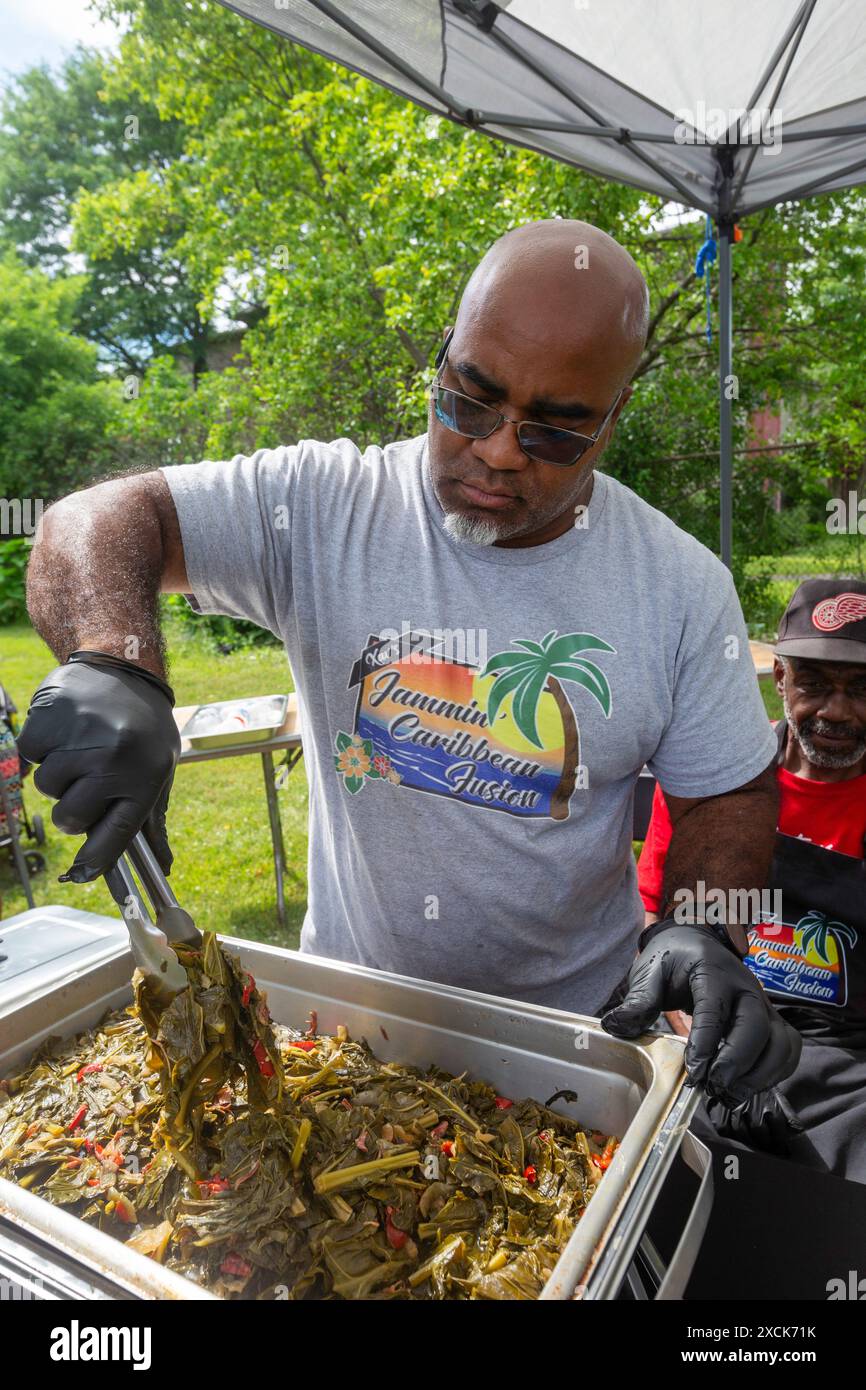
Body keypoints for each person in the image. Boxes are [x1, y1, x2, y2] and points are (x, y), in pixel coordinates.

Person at [18, 218, 800, 1103]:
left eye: (555, 430)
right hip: (348, 1036)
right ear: (442, 359)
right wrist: (118, 662)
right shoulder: (325, 507)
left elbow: (726, 789)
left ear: (614, 420)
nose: (499, 451)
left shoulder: (680, 586)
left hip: (580, 1046)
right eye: (471, 400)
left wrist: (703, 926)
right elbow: (94, 520)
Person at [638, 578, 866, 1179]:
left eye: (862, 689)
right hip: (711, 1034)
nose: (837, 711)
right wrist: (702, 1035)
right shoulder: (717, 784)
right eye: (814, 684)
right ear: (780, 680)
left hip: (849, 1068)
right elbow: (655, 920)